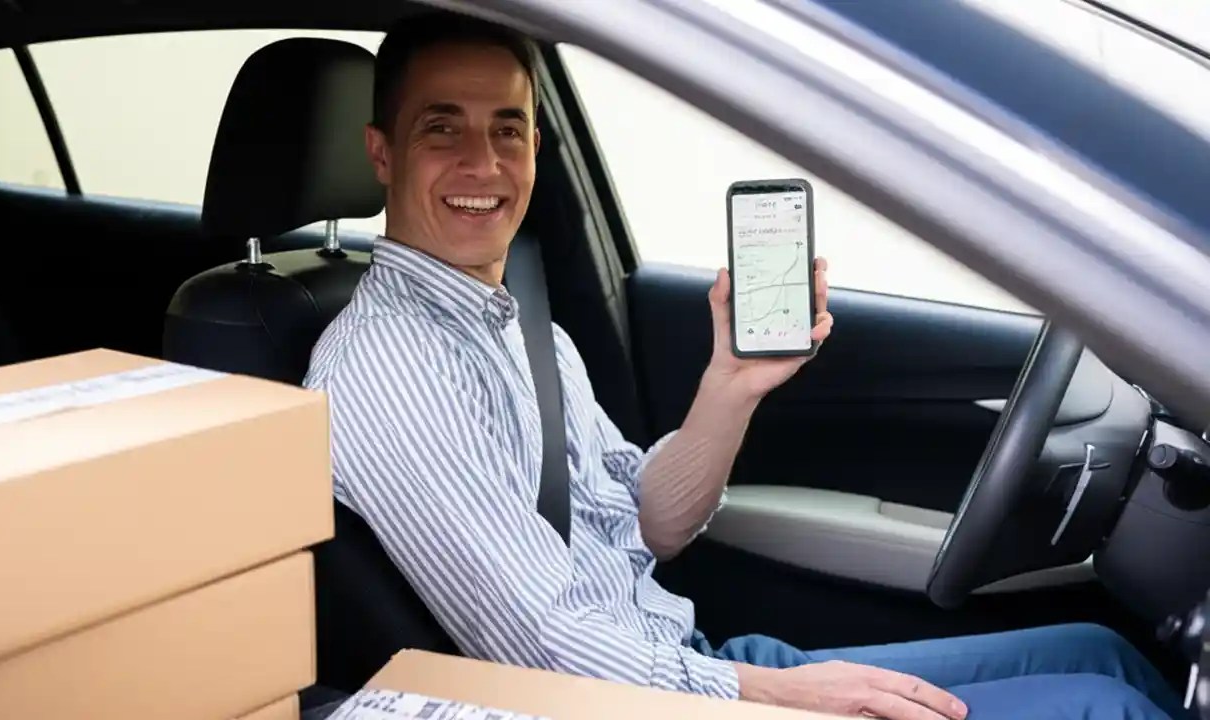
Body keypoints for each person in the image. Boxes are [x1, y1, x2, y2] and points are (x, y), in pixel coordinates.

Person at [303, 11, 1191, 720]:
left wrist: (732, 382)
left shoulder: (510, 323)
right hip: (627, 702)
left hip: (687, 668)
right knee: (1098, 706)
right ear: (381, 153)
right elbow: (541, 647)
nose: (484, 163)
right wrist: (780, 696)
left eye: (510, 128)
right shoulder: (389, 366)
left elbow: (644, 524)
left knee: (1097, 650)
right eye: (441, 128)